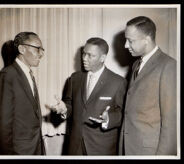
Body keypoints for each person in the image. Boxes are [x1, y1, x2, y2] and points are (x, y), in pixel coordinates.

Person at [47, 37, 127, 155]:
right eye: (84, 54)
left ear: (102, 58)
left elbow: (124, 114)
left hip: (102, 148)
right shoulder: (75, 78)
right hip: (75, 146)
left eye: (90, 55)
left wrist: (109, 119)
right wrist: (64, 109)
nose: (84, 58)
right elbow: (69, 105)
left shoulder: (118, 82)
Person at [119, 16, 177, 155]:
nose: (126, 45)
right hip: (129, 147)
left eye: (130, 41)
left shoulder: (169, 66)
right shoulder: (136, 64)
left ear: (146, 40)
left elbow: (171, 121)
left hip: (149, 152)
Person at [0, 32, 45, 155]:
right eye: (37, 49)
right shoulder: (8, 75)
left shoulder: (27, 74)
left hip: (34, 149)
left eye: (42, 50)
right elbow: (2, 125)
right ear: (22, 49)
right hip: (19, 152)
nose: (41, 54)